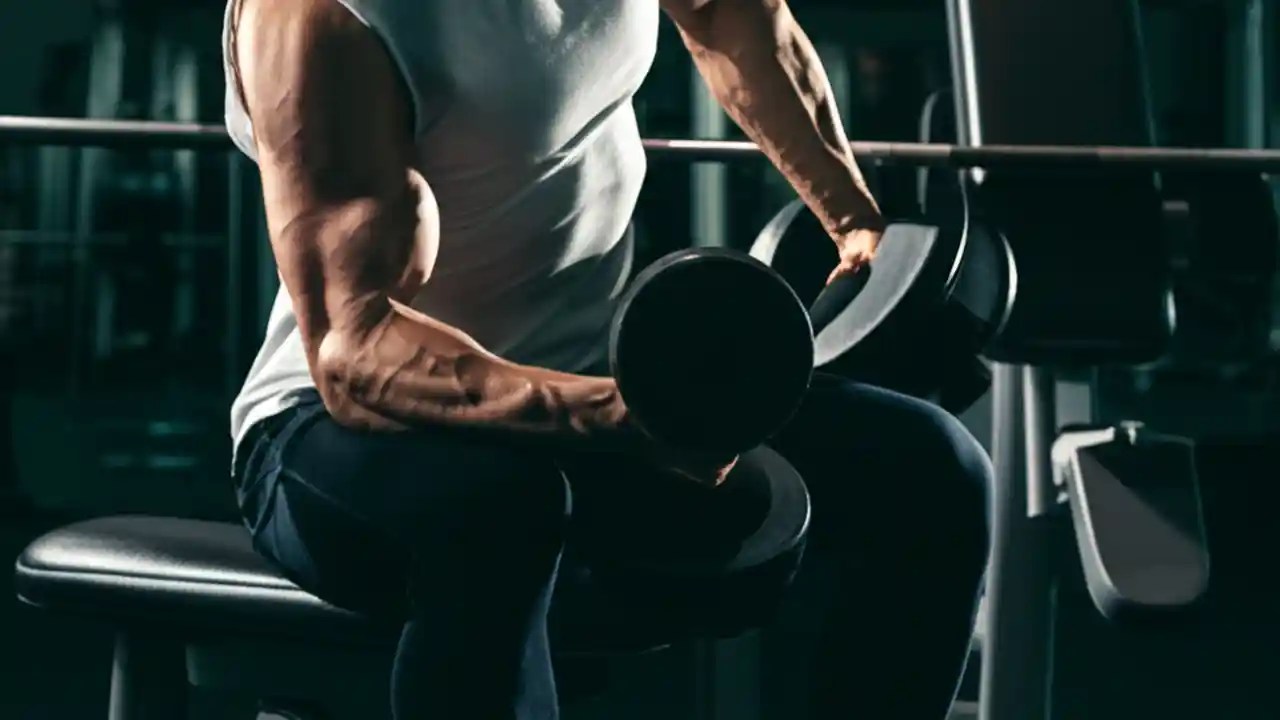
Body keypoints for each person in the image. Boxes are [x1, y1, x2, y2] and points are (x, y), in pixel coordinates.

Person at [224, 0, 992, 717]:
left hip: (593, 387)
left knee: (930, 466)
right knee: (499, 510)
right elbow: (352, 354)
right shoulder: (320, 16)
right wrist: (627, 418)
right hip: (339, 434)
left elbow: (734, 17)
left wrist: (854, 220)